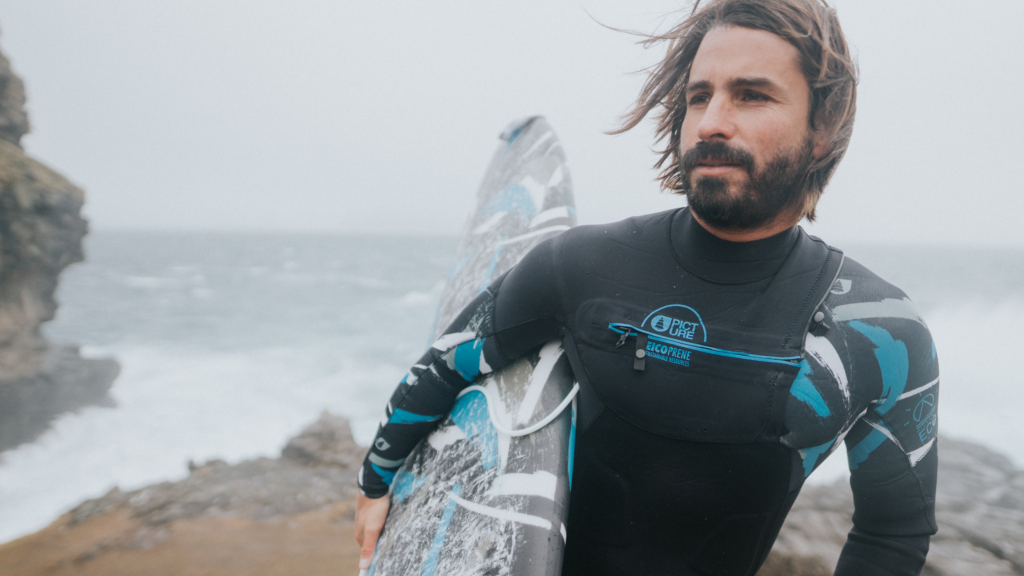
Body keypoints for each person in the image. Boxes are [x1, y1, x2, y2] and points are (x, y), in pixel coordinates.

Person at [355, 0, 939, 574]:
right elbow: (443, 366)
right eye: (698, 96)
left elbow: (893, 531)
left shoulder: (877, 329)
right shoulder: (579, 265)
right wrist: (376, 484)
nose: (711, 121)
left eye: (751, 94)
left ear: (822, 127)